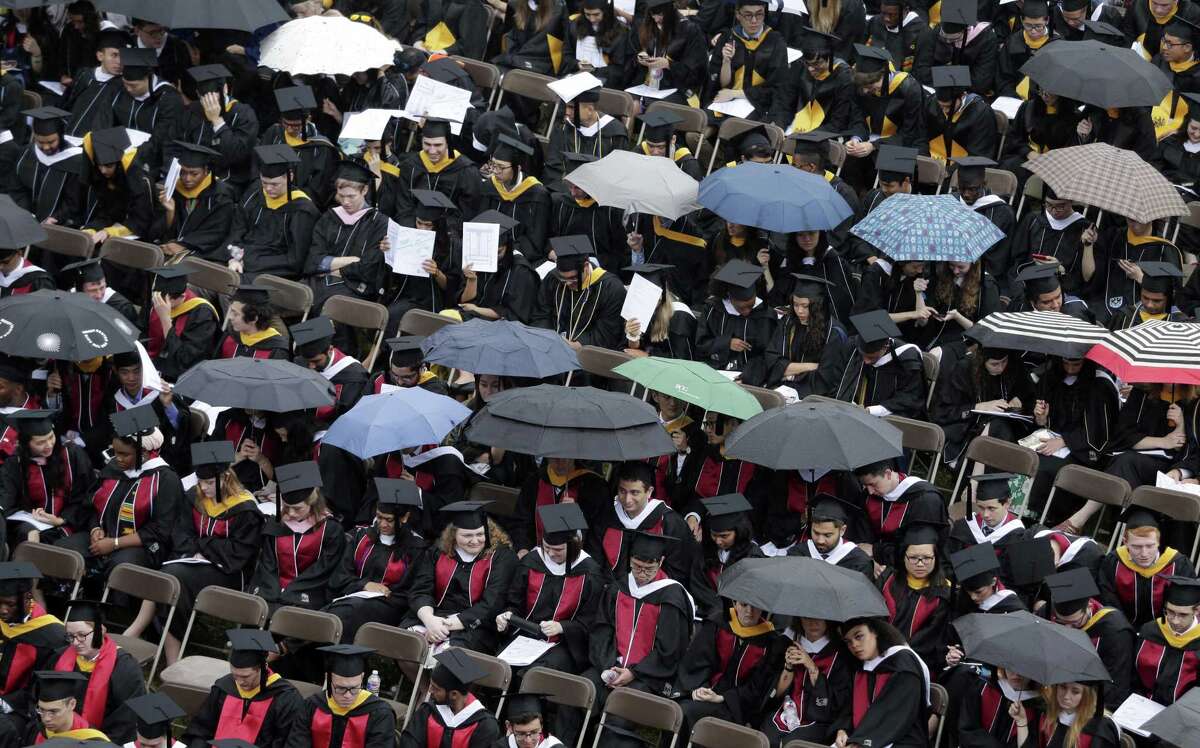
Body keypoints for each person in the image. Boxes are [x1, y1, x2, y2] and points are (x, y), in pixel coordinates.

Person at [583, 531, 695, 746]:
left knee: (618, 714)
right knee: (578, 695)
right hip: (610, 667)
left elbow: (670, 650)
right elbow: (601, 630)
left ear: (661, 562)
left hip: (648, 677)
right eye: (636, 566)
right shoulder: (619, 588)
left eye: (648, 569)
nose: (641, 574)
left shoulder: (671, 597)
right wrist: (608, 666)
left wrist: (634, 672)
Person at [159, 442, 264, 666]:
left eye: (208, 482)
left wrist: (201, 546)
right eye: (200, 481)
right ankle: (171, 656)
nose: (203, 488)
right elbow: (180, 534)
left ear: (226, 478)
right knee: (169, 575)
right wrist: (199, 549)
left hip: (229, 573)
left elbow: (238, 554)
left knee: (175, 576)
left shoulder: (246, 510)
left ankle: (172, 660)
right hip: (192, 563)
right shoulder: (194, 498)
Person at [58, 405, 181, 582]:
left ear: (144, 452)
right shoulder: (114, 467)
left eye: (125, 454)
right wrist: (95, 529)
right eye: (115, 452)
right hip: (103, 538)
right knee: (64, 551)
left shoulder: (166, 479)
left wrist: (115, 544)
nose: (118, 459)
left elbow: (160, 530)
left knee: (120, 568)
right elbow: (92, 505)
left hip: (142, 546)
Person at [497, 503, 603, 678]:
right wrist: (506, 616)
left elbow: (592, 619)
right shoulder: (531, 562)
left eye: (558, 550)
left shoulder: (590, 573)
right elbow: (514, 603)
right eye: (547, 548)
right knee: (502, 668)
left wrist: (562, 627)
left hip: (565, 645)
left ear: (574, 544)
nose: (551, 554)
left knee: (536, 675)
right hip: (525, 637)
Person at [406, 501, 517, 652]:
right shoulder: (438, 552)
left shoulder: (501, 557)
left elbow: (492, 604)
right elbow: (421, 589)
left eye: (480, 534)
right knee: (410, 643)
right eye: (467, 536)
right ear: (453, 535)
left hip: (475, 626)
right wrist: (430, 620)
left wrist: (445, 626)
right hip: (434, 616)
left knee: (447, 656)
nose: (475, 541)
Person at [326, 478, 426, 641]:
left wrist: (382, 592)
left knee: (347, 613)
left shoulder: (416, 548)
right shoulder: (361, 537)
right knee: (346, 612)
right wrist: (364, 585)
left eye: (389, 519)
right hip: (351, 601)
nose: (382, 524)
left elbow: (409, 593)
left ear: (405, 517)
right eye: (379, 517)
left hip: (389, 608)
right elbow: (339, 576)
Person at [676, 599, 784, 743]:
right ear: (735, 603)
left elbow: (759, 687)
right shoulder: (717, 624)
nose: (749, 612)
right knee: (684, 711)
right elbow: (697, 662)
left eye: (756, 607)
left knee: (700, 716)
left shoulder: (770, 642)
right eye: (744, 604)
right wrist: (700, 688)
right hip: (707, 692)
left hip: (738, 706)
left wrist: (723, 698)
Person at [181, 629, 305, 748]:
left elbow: (288, 742)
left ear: (263, 667)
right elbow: (201, 730)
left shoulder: (286, 699)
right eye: (235, 675)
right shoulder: (224, 687)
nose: (239, 682)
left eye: (246, 676)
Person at [248, 462, 346, 613]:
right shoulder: (276, 524)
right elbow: (267, 564)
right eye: (287, 507)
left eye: (298, 508)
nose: (291, 513)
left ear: (312, 502)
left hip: (308, 592)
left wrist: (290, 590)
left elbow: (323, 570)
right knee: (260, 609)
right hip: (272, 590)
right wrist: (274, 591)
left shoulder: (330, 529)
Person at [52, 600, 145, 743]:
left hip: (101, 741)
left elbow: (126, 721)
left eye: (82, 635)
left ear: (100, 631)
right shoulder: (59, 658)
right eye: (70, 636)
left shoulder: (124, 667)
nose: (75, 642)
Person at [587, 461, 696, 583]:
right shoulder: (607, 517)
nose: (627, 500)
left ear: (649, 491)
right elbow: (594, 561)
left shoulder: (669, 522)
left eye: (635, 492)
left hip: (653, 595)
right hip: (609, 592)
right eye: (622, 491)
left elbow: (678, 570)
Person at [0, 409, 92, 549]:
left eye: (51, 437)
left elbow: (89, 493)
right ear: (26, 443)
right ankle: (25, 570)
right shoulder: (15, 464)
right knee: (28, 535)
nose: (49, 445)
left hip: (70, 522)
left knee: (57, 544)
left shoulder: (72, 455)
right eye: (40, 442)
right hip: (32, 523)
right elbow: (7, 500)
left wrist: (61, 519)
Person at [226, 144, 320, 280]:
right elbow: (237, 231)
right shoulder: (254, 194)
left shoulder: (302, 210)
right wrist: (234, 258)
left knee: (234, 287)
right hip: (242, 261)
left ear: (290, 177)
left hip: (275, 272)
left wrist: (249, 263)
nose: (268, 189)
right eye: (264, 182)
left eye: (275, 184)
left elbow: (296, 259)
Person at [833, 617, 931, 748]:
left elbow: (893, 716)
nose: (854, 645)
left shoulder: (903, 665)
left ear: (875, 631)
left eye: (859, 636)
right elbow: (849, 709)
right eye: (848, 641)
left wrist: (861, 742)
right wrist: (843, 730)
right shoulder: (861, 667)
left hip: (902, 740)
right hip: (862, 737)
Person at [1045, 569, 1135, 711]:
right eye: (1061, 622)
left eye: (1075, 623)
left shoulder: (1114, 630)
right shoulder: (1047, 613)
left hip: (1088, 706)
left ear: (1089, 606)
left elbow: (1116, 683)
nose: (1068, 629)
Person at [304, 160, 388, 311]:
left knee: (329, 309)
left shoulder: (380, 223)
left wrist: (332, 268)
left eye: (351, 196)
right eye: (341, 196)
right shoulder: (329, 217)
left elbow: (368, 268)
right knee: (290, 296)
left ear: (364, 191)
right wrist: (351, 260)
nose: (346, 202)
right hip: (318, 282)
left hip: (355, 289)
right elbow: (313, 260)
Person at [0, 562, 67, 744]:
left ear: (27, 598)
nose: (2, 610)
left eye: (10, 604)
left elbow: (43, 688)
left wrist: (5, 703)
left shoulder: (52, 637)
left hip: (18, 710)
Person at [761, 617, 852, 747]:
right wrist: (788, 667)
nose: (813, 623)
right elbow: (776, 695)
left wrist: (811, 666)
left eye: (819, 618)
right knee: (767, 739)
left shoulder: (841, 654)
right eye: (807, 618)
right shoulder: (786, 643)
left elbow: (837, 703)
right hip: (785, 714)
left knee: (794, 744)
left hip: (818, 720)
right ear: (799, 619)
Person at [935, 346, 1036, 463]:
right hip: (969, 428)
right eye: (994, 364)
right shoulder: (964, 369)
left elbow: (1028, 393)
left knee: (1001, 427)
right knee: (997, 426)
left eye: (1004, 362)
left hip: (1008, 426)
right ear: (982, 361)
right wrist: (977, 407)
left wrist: (1018, 399)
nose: (1001, 368)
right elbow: (943, 411)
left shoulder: (1013, 365)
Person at [1098, 508, 1196, 628]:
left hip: (1164, 631)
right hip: (1122, 628)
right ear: (1125, 542)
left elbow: (1186, 607)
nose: (1144, 554)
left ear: (1158, 541)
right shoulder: (1113, 562)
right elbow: (1108, 600)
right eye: (1136, 547)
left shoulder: (1178, 565)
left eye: (1150, 546)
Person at [285, 644, 397, 748]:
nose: (348, 695)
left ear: (362, 678)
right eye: (340, 688)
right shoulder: (312, 706)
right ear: (328, 679)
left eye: (354, 688)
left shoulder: (380, 714)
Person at [878, 521, 952, 673]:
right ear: (903, 556)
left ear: (936, 558)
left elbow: (929, 641)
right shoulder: (887, 580)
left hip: (912, 666)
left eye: (926, 558)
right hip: (876, 654)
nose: (920, 564)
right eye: (913, 558)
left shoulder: (942, 594)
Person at [532, 235, 627, 351]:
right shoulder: (553, 279)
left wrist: (577, 345)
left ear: (586, 267)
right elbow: (541, 314)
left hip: (588, 357)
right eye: (563, 278)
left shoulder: (611, 288)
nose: (567, 283)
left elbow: (607, 333)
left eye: (573, 278)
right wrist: (547, 337)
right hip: (550, 348)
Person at [764, 274, 851, 396]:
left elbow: (826, 378)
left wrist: (789, 374)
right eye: (795, 304)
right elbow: (772, 360)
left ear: (818, 306)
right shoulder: (788, 323)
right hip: (780, 392)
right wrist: (810, 366)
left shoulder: (834, 333)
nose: (799, 311)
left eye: (805, 306)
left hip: (813, 400)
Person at [78, 128, 160, 256]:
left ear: (118, 163)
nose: (103, 171)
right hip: (116, 228)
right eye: (99, 165)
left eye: (109, 166)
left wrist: (109, 232)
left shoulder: (140, 181)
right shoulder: (105, 178)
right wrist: (92, 229)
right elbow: (107, 214)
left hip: (142, 236)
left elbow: (141, 222)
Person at [152, 140, 238, 263]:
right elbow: (157, 230)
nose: (187, 178)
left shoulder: (221, 195)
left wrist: (184, 245)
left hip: (202, 252)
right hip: (171, 245)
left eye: (194, 174)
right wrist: (170, 212)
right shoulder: (172, 189)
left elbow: (217, 232)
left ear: (206, 170)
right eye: (183, 172)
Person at [833, 310, 928, 419]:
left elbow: (911, 398)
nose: (866, 361)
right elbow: (836, 382)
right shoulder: (853, 347)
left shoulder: (906, 357)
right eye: (863, 355)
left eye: (871, 357)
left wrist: (871, 411)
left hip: (892, 422)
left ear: (885, 346)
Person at [178, 65, 259, 192]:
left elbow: (237, 154)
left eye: (213, 95)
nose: (209, 102)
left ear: (225, 89)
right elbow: (175, 142)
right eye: (204, 97)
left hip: (228, 180)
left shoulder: (243, 114)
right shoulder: (192, 110)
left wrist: (217, 121)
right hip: (190, 175)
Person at [853, 458, 948, 566]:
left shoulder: (925, 500)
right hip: (871, 562)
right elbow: (862, 540)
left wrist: (876, 551)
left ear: (888, 474)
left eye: (873, 484)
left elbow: (919, 552)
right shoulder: (868, 497)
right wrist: (871, 561)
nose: (870, 491)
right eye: (865, 485)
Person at [400, 649, 501, 748]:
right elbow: (409, 742)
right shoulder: (428, 711)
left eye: (436, 688)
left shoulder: (485, 726)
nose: (430, 690)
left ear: (454, 694)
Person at [697, 260, 777, 385]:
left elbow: (768, 354)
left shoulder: (765, 314)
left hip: (752, 379)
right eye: (741, 308)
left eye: (750, 306)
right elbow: (701, 344)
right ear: (730, 297)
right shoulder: (713, 310)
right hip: (716, 374)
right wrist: (726, 343)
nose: (746, 312)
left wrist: (749, 376)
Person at [707, 0, 788, 121]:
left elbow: (777, 87)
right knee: (694, 134)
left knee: (731, 129)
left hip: (758, 105)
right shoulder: (727, 38)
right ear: (738, 15)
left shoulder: (775, 41)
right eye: (748, 15)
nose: (754, 21)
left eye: (759, 14)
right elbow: (721, 85)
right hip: (725, 102)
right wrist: (726, 62)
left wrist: (737, 94)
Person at [259, 85, 339, 208]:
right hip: (268, 195)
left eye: (295, 125)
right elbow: (259, 166)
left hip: (300, 205)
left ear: (308, 119)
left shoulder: (321, 148)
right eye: (286, 124)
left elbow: (319, 188)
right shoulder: (273, 134)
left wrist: (291, 199)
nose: (290, 129)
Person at [688, 494, 763, 619]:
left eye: (724, 536)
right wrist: (715, 607)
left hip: (740, 618)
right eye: (714, 535)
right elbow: (697, 584)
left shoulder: (752, 556)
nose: (718, 541)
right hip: (709, 615)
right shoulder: (706, 551)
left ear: (738, 532)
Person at [512, 457, 608, 554]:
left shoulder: (594, 487)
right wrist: (522, 547)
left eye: (565, 458)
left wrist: (576, 517)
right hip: (537, 557)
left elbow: (598, 533)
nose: (560, 463)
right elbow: (521, 522)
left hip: (577, 561)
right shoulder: (535, 481)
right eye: (554, 458)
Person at [479, 136, 550, 264]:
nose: (495, 171)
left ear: (517, 168)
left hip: (517, 259)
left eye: (501, 167)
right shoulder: (489, 186)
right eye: (493, 165)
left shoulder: (537, 195)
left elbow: (535, 239)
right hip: (485, 252)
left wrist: (508, 251)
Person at [457, 211, 538, 324]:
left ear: (507, 246)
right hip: (472, 317)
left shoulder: (521, 271)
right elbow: (464, 302)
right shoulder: (477, 259)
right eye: (488, 252)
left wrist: (476, 309)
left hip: (500, 325)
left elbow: (514, 314)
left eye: (498, 252)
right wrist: (472, 280)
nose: (493, 258)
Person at [290, 317, 370, 429]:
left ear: (330, 350)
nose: (311, 366)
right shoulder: (300, 361)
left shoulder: (354, 377)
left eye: (316, 361)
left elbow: (346, 418)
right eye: (307, 361)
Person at [12, 107, 85, 229]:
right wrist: (24, 212)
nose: (45, 147)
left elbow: (74, 203)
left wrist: (56, 218)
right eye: (40, 142)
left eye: (51, 142)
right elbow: (17, 188)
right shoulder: (26, 153)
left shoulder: (76, 161)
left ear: (61, 136)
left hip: (58, 225)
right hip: (24, 219)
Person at [624, 0, 707, 107]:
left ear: (670, 10)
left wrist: (668, 64)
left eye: (661, 14)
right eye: (653, 13)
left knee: (654, 107)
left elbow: (697, 74)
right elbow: (642, 57)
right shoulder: (651, 27)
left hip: (678, 89)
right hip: (650, 84)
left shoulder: (689, 30)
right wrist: (642, 59)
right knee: (627, 102)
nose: (656, 18)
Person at [1133, 575, 1200, 704]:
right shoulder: (1150, 631)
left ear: (1197, 610)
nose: (1174, 620)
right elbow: (1133, 673)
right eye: (1170, 612)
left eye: (1183, 615)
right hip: (1139, 704)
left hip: (1180, 713)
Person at [544, 87, 628, 182]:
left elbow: (616, 171)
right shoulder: (562, 129)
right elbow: (553, 166)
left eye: (572, 108)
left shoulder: (615, 132)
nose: (567, 112)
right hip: (564, 190)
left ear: (590, 109)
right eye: (566, 107)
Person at [621, 263, 697, 361]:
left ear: (661, 295)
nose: (642, 300)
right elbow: (630, 350)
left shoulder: (679, 315)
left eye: (648, 295)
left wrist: (648, 355)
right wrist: (633, 336)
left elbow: (683, 359)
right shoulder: (638, 308)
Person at [788, 494, 875, 578]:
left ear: (842, 530)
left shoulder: (859, 563)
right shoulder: (797, 554)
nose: (820, 540)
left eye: (827, 535)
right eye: (816, 533)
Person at [63, 26, 127, 137]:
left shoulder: (123, 86)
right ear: (100, 56)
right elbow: (66, 103)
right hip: (66, 134)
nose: (119, 62)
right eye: (114, 55)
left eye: (123, 56)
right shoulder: (84, 74)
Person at [947, 473, 1028, 559]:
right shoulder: (964, 526)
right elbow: (947, 560)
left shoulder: (1016, 536)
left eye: (991, 508)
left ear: (1007, 503)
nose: (985, 515)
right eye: (981, 507)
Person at [956, 667, 1042, 748]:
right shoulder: (983, 688)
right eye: (1011, 666)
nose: (1017, 673)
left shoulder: (1038, 709)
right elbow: (967, 730)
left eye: (1024, 668)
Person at [925, 66, 997, 161]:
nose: (945, 111)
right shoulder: (932, 102)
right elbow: (920, 136)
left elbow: (978, 155)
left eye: (949, 107)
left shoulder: (981, 113)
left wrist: (950, 172)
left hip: (961, 168)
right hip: (931, 162)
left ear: (962, 96)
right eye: (941, 106)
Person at [1016, 682, 1119, 748]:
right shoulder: (1047, 716)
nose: (1066, 696)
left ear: (1086, 696)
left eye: (1075, 692)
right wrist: (1021, 721)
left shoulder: (1099, 728)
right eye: (1063, 687)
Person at [25, 670, 109, 743]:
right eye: (41, 710)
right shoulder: (36, 729)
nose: (46, 719)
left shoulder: (94, 741)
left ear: (72, 704)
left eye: (53, 711)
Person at [1105, 261, 1188, 330]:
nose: (1149, 305)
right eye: (1145, 298)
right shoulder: (1125, 316)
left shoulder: (1181, 322)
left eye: (1157, 301)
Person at [215, 283, 289, 360]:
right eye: (231, 311)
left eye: (235, 314)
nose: (230, 317)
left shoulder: (276, 349)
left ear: (253, 319)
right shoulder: (231, 336)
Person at [59, 258, 138, 325]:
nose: (99, 295)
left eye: (102, 287)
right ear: (79, 290)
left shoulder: (121, 307)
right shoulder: (68, 299)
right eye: (92, 290)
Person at [492, 693, 566, 748]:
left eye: (534, 732)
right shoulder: (500, 746)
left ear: (542, 725)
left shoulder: (554, 746)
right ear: (509, 727)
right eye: (521, 734)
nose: (528, 741)